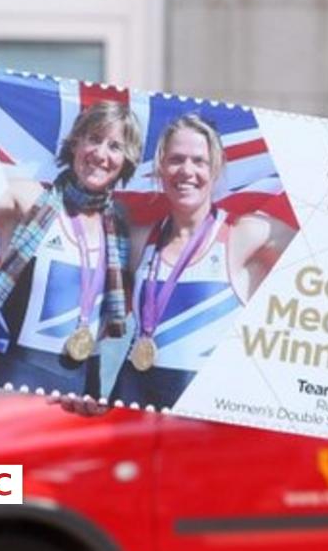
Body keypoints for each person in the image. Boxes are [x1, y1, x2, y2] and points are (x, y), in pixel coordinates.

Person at [110, 113, 293, 410]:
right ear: (160, 167)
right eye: (176, 160)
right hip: (136, 405)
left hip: (205, 422)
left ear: (216, 169)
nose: (187, 171)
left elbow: (325, 248)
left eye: (199, 161)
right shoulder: (139, 240)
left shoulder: (243, 236)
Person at [0, 100, 141, 399]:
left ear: (126, 161)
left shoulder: (120, 224)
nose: (100, 154)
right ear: (76, 144)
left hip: (85, 386)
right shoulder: (30, 199)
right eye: (93, 139)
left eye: (114, 146)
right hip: (16, 379)